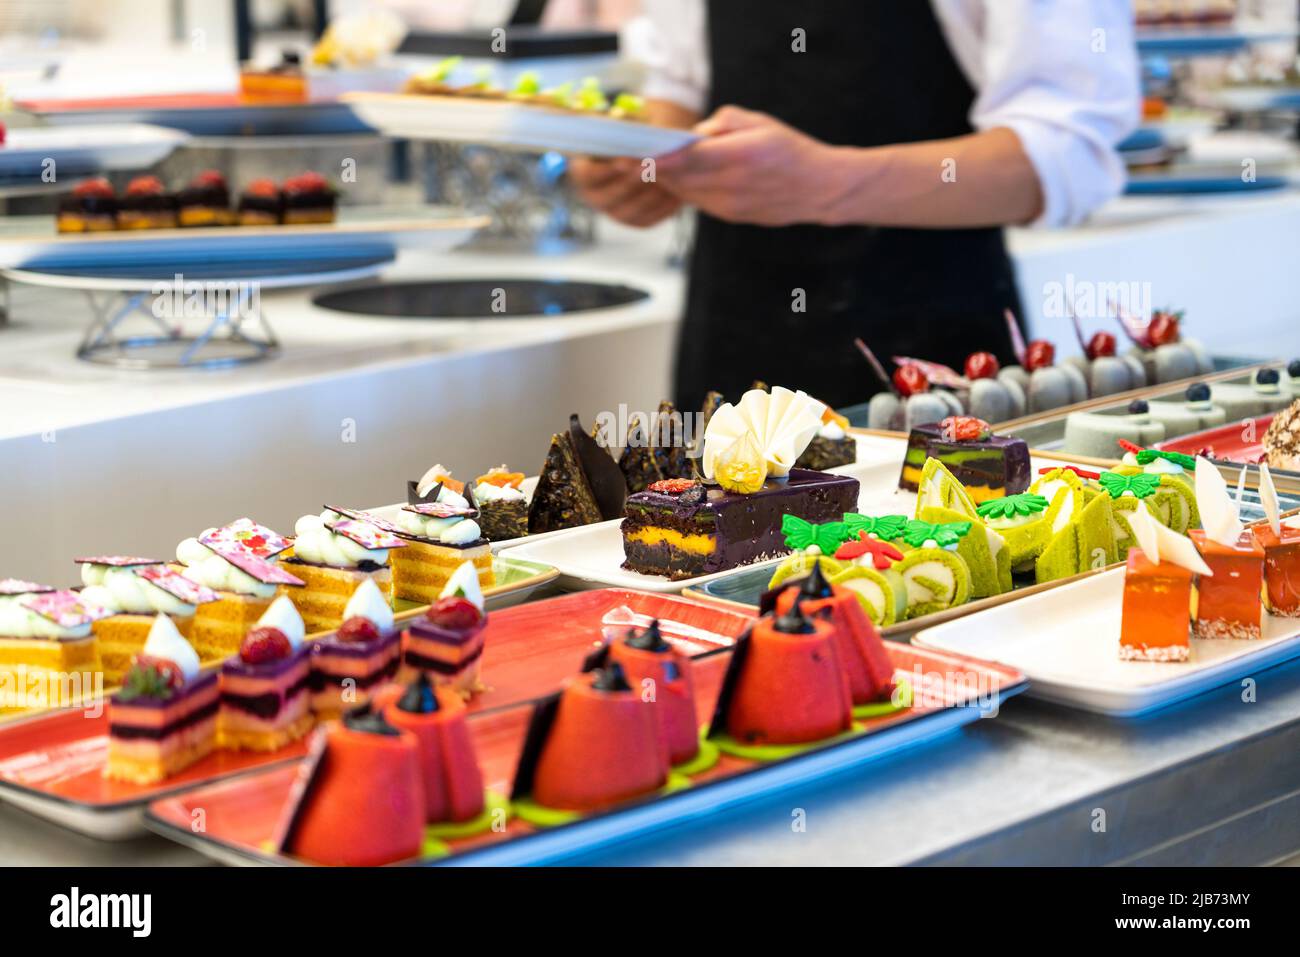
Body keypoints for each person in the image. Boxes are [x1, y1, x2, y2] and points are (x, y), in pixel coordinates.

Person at [570, 0, 1142, 410]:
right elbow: (681, 84)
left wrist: (825, 183)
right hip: (732, 342)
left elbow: (1068, 153)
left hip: (931, 360)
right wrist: (640, 159)